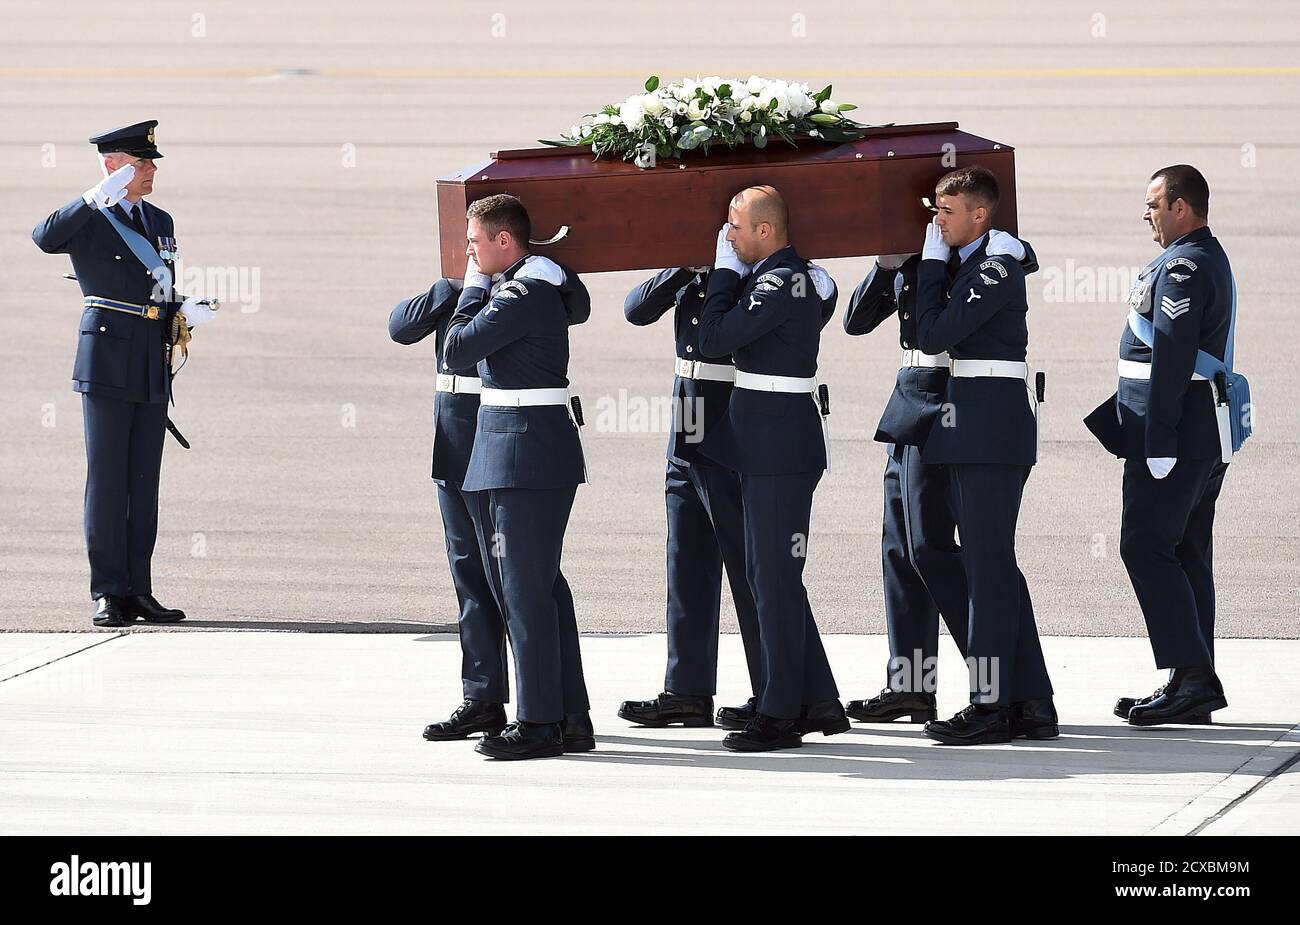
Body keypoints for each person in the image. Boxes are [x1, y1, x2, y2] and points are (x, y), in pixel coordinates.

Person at [616, 259, 837, 731]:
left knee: (755, 568)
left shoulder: (768, 275)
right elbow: (636, 310)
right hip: (687, 413)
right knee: (687, 559)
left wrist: (730, 273)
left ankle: (802, 695)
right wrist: (682, 269)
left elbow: (817, 304)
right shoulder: (698, 269)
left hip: (730, 419)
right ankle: (686, 689)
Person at [389, 256, 589, 742]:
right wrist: (456, 285)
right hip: (455, 440)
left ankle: (546, 707)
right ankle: (482, 697)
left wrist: (557, 273)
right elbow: (400, 326)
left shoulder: (530, 285)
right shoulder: (461, 289)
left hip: (496, 437)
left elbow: (577, 307)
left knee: (522, 581)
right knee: (470, 575)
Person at [841, 230, 1036, 725]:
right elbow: (856, 321)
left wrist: (941, 257)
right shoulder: (916, 254)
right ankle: (910, 684)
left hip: (957, 404)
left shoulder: (979, 254)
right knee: (901, 551)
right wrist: (887, 265)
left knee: (948, 552)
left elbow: (1015, 259)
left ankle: (1012, 684)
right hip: (911, 403)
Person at [32, 120, 214, 628]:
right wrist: (92, 198)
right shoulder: (90, 217)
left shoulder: (160, 218)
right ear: (113, 166)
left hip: (149, 356)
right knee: (109, 478)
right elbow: (44, 237)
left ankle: (140, 589)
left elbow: (157, 284)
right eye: (141, 162)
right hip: (107, 355)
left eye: (151, 162)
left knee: (143, 479)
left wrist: (183, 307)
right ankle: (108, 590)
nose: (151, 169)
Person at [442, 194, 594, 760]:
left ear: (506, 242)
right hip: (511, 448)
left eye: (476, 242)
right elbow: (577, 303)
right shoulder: (537, 284)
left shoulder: (522, 291)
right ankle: (569, 718)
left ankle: (537, 723)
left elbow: (457, 350)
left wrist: (474, 289)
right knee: (541, 589)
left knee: (524, 592)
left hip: (523, 452)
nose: (469, 252)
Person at [696, 185, 847, 752]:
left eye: (735, 227)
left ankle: (782, 713)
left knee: (775, 581)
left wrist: (721, 273)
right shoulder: (781, 277)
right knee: (770, 577)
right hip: (766, 443)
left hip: (780, 450)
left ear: (765, 231)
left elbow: (712, 339)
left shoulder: (782, 281)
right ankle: (810, 698)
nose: (727, 237)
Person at [1084, 165, 1235, 726]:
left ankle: (1192, 676)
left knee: (1145, 547)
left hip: (1174, 432)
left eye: (1153, 204)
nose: (1146, 214)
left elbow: (1172, 353)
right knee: (1186, 550)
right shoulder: (1202, 257)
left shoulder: (1186, 266)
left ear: (1181, 207)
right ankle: (1192, 678)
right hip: (1196, 430)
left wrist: (1160, 438)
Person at [911, 166, 1056, 746]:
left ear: (980, 216)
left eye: (947, 213)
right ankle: (1031, 698)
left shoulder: (995, 268)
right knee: (962, 557)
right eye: (934, 211)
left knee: (989, 565)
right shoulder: (973, 259)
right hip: (967, 424)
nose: (936, 222)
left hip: (990, 429)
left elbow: (932, 332)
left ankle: (991, 703)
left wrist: (927, 265)